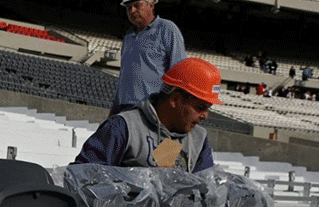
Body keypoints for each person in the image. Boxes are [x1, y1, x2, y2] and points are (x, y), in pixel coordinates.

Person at [74, 57, 221, 173]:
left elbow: (206, 190)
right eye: (200, 107)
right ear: (175, 100)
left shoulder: (198, 138)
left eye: (208, 108)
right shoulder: (123, 127)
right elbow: (83, 176)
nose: (205, 115)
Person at [110, 0, 187, 115]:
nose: (132, 11)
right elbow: (124, 76)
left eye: (137, 5)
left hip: (151, 109)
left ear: (151, 5)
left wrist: (163, 105)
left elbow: (179, 70)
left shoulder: (167, 29)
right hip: (125, 109)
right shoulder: (128, 36)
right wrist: (113, 111)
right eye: (128, 8)